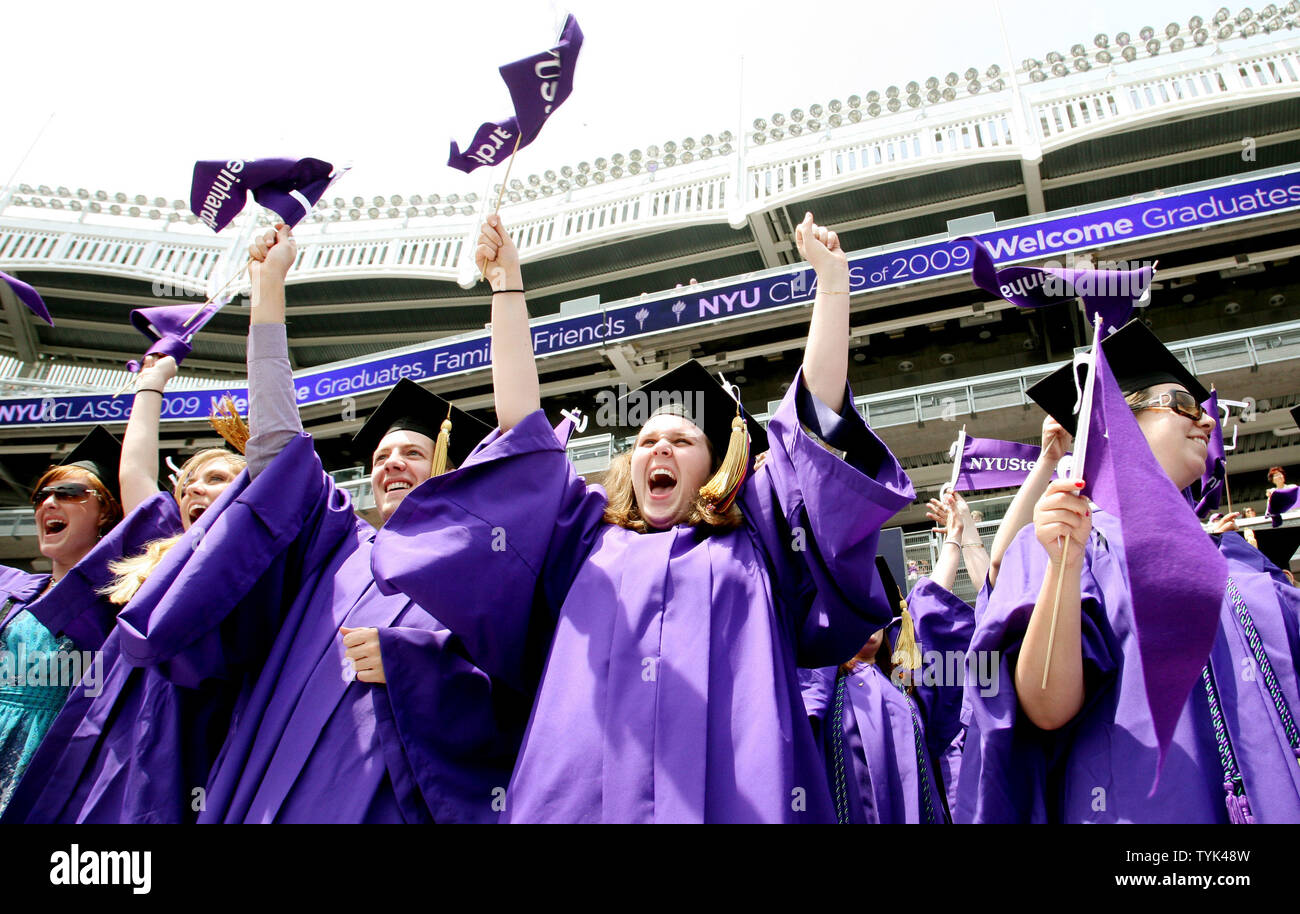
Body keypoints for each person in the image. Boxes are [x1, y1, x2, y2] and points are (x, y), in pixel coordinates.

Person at [371, 212, 915, 823]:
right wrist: (507, 290)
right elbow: (525, 429)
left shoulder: (757, 533)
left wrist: (833, 288)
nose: (659, 448)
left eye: (681, 442)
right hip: (583, 794)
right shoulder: (583, 538)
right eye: (647, 440)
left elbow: (810, 416)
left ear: (720, 464)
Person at [105, 224, 530, 824]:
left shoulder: (480, 568)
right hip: (268, 788)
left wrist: (421, 664)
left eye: (411, 452)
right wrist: (268, 291)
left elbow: (523, 691)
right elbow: (276, 446)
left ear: (444, 467)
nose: (392, 464)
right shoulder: (331, 545)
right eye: (381, 457)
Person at [957, 319, 1300, 823]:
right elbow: (1046, 709)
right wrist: (1064, 568)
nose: (1206, 422)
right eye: (1181, 404)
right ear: (1116, 420)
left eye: (1205, 411)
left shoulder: (1241, 557)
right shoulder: (1070, 541)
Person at [800, 541, 972, 824]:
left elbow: (933, 616)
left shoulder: (905, 683)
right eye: (857, 615)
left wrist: (954, 541)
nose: (868, 626)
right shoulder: (821, 681)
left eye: (875, 615)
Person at [0, 428, 126, 812]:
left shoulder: (120, 600)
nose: (48, 503)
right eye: (41, 496)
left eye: (69, 493)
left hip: (62, 765)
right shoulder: (11, 588)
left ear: (105, 509)